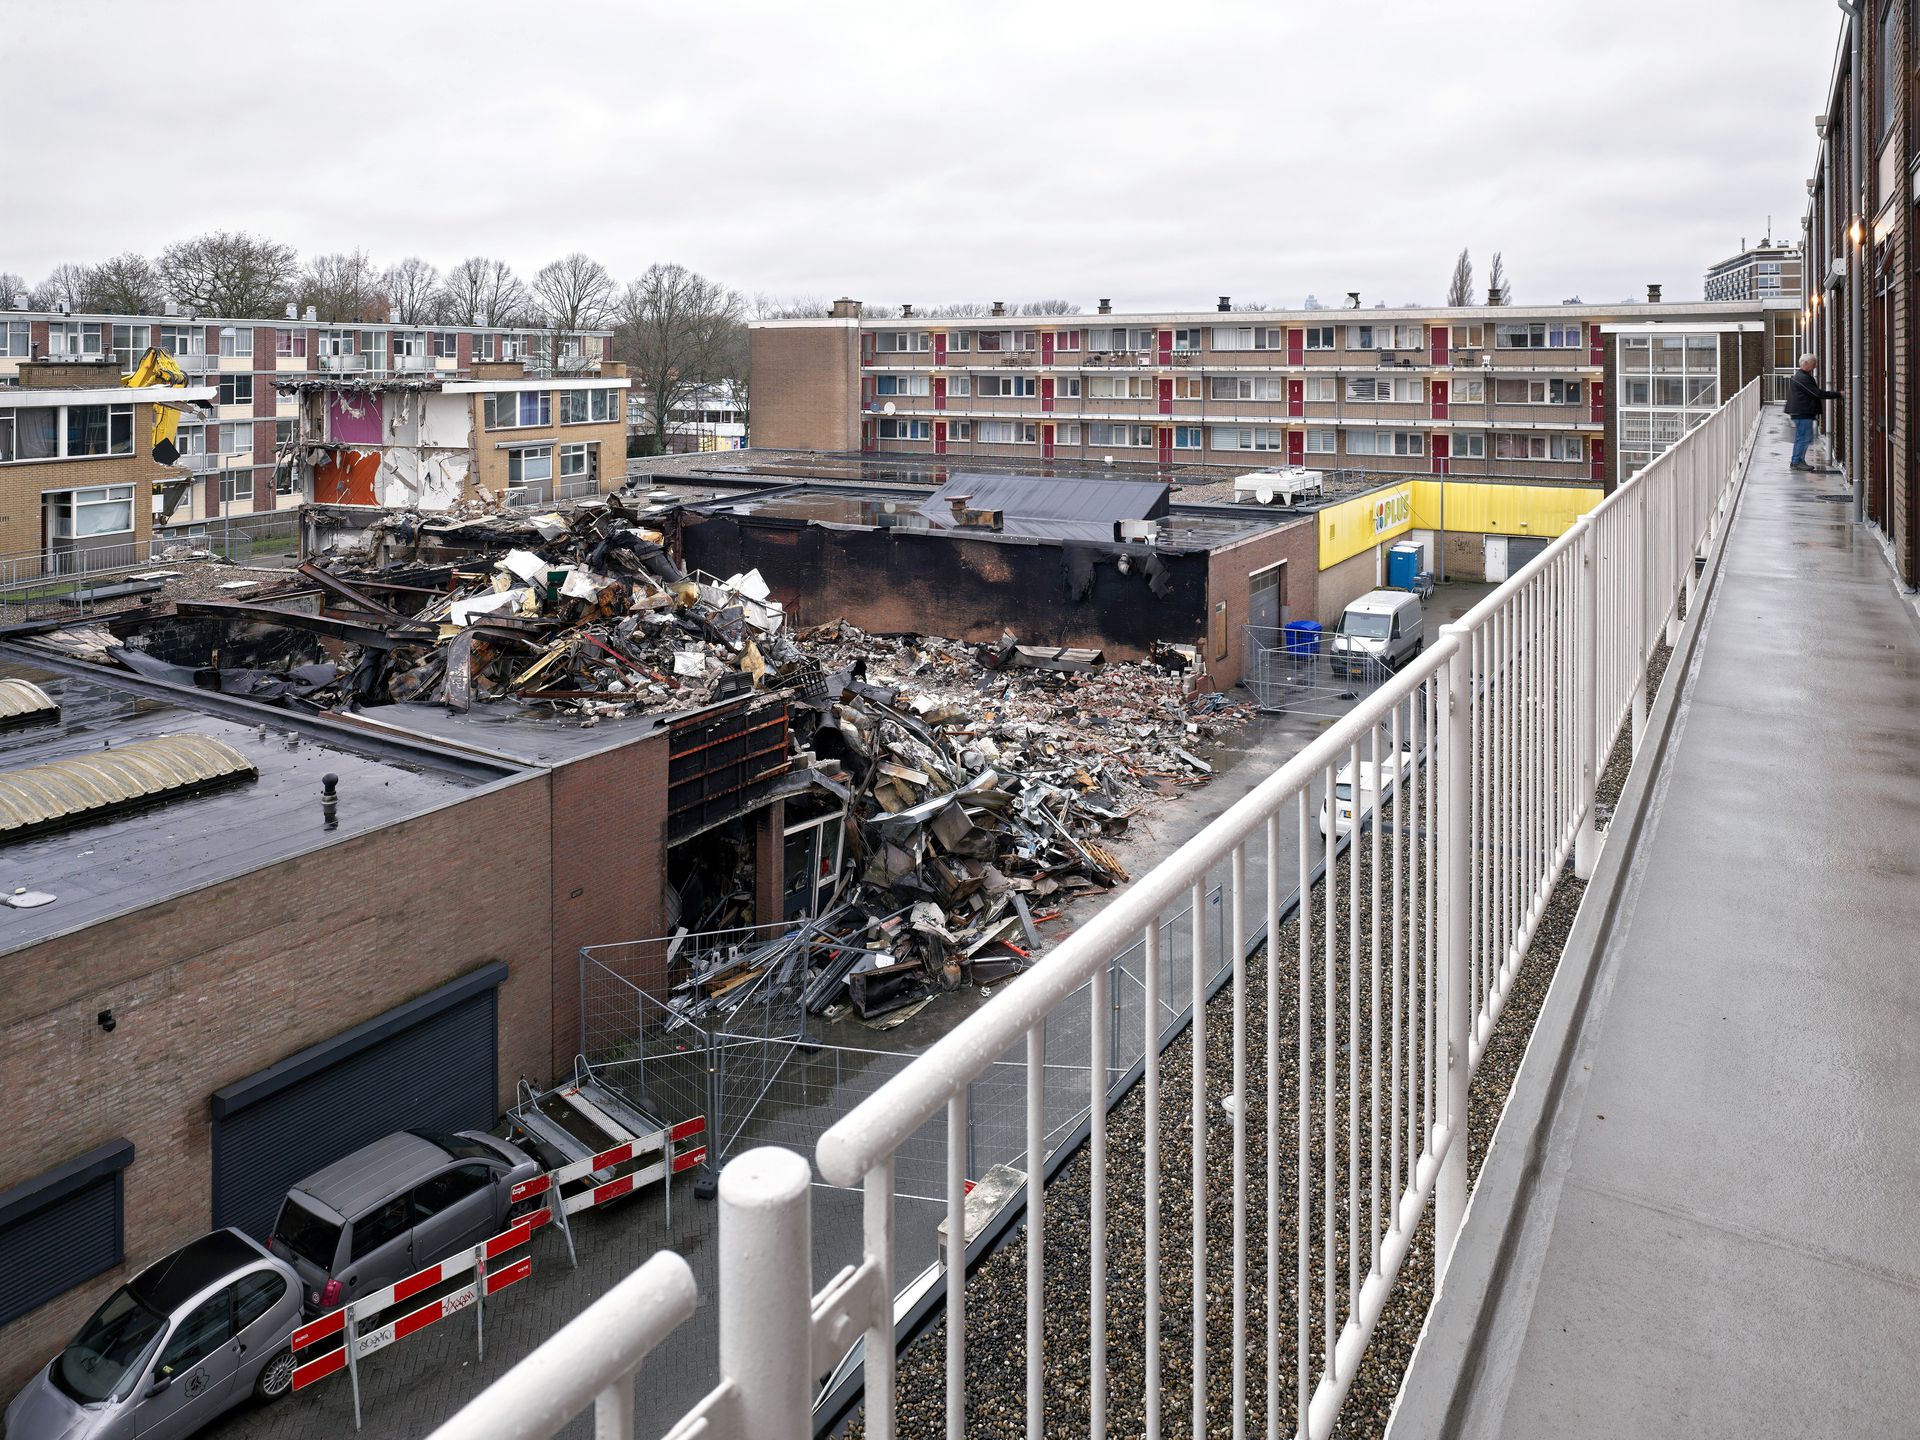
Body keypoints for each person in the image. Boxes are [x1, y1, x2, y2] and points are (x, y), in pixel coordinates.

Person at [1785, 353, 1841, 470]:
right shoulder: (1802, 378)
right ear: (1805, 364)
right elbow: (1817, 393)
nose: (1815, 366)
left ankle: (1798, 460)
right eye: (1813, 363)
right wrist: (1838, 394)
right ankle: (1796, 461)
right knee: (1804, 437)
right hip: (1802, 413)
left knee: (1803, 437)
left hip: (1802, 412)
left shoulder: (1802, 376)